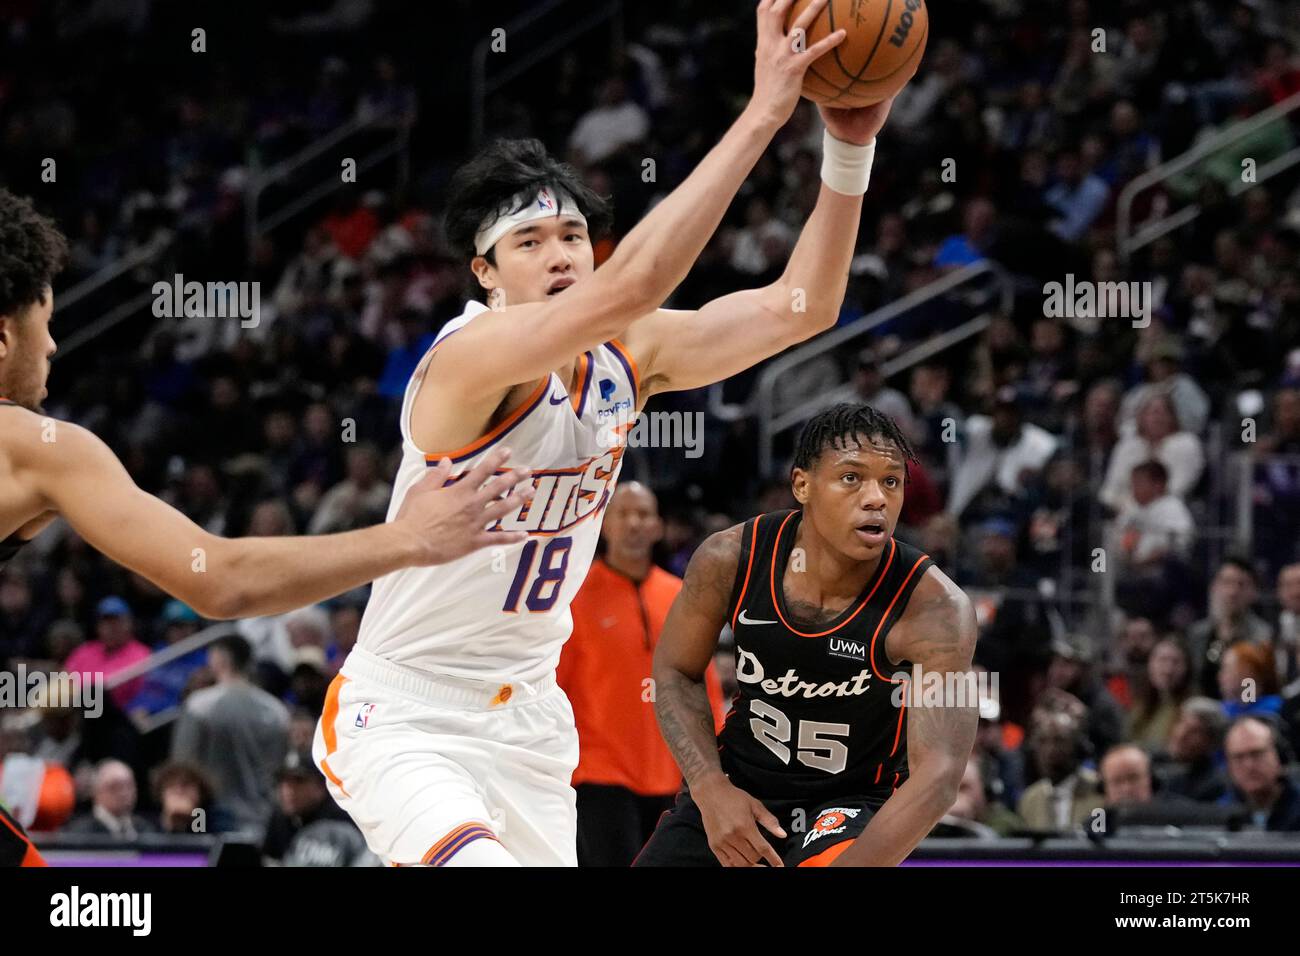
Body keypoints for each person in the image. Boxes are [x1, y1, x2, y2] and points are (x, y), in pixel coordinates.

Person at [315, 0, 896, 867]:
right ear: (485, 272)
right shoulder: (469, 361)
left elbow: (801, 305)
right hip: (407, 713)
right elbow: (630, 288)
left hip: (532, 723)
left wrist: (849, 145)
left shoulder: (632, 354)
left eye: (575, 235)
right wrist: (765, 110)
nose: (560, 253)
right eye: (530, 241)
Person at [636, 404, 978, 867]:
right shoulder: (729, 557)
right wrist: (709, 787)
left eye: (891, 481)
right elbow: (674, 670)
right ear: (802, 485)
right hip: (739, 784)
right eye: (852, 478)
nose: (876, 497)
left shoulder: (936, 607)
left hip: (851, 803)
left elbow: (937, 777)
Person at [556, 483, 724, 867]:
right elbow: (555, 687)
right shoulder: (575, 596)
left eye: (644, 514)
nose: (634, 523)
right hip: (598, 772)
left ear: (658, 526)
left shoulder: (681, 594)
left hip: (671, 771)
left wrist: (715, 760)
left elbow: (705, 685)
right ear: (603, 523)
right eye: (624, 513)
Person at [170, 635, 290, 833]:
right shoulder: (277, 711)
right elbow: (282, 767)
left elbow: (183, 766)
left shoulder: (200, 706)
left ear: (220, 659)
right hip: (265, 819)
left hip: (213, 820)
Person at [1186, 558, 1273, 696]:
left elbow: (1251, 690)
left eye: (1241, 585)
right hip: (1201, 710)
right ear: (1214, 587)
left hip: (1243, 711)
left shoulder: (1261, 636)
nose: (1232, 592)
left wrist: (1243, 709)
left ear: (1254, 592)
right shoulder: (1198, 634)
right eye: (1226, 582)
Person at [1222, 716, 1300, 831]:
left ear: (1280, 757)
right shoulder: (1223, 810)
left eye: (1257, 754)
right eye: (1238, 757)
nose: (1249, 766)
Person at [62, 759, 157, 840]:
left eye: (129, 786)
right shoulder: (80, 832)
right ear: (96, 792)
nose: (124, 793)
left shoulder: (145, 829)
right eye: (115, 786)